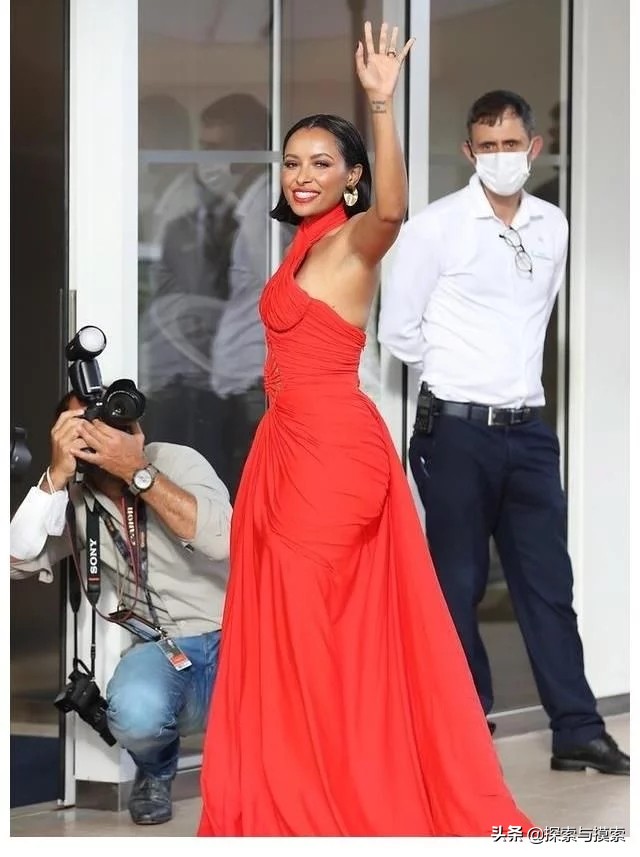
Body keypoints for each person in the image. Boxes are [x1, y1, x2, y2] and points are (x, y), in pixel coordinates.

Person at [197, 24, 532, 837]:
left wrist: (381, 103)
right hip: (284, 448)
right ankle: (303, 790)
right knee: (292, 635)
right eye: (292, 162)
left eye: (322, 163)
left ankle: (338, 802)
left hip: (332, 457)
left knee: (317, 631)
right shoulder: (301, 247)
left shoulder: (355, 239)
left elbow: (393, 208)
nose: (302, 175)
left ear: (350, 177)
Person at [378, 89, 629, 777]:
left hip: (529, 432)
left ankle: (577, 729)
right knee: (457, 587)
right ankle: (466, 727)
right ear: (469, 152)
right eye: (487, 146)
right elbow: (398, 330)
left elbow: (537, 316)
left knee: (548, 586)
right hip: (456, 433)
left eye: (510, 144)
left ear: (533, 148)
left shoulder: (553, 225)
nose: (500, 156)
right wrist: (460, 375)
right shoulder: (437, 227)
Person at [10, 391, 232, 825]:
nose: (97, 435)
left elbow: (221, 539)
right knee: (133, 712)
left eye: (103, 422)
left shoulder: (176, 461)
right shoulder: (74, 499)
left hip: (237, 634)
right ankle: (156, 769)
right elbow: (13, 563)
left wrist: (137, 471)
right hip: (164, 649)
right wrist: (54, 477)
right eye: (81, 428)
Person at [139, 93, 271, 498]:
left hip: (251, 385)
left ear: (252, 149)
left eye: (219, 148)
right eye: (204, 147)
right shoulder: (240, 210)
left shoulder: (266, 216)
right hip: (220, 380)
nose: (209, 161)